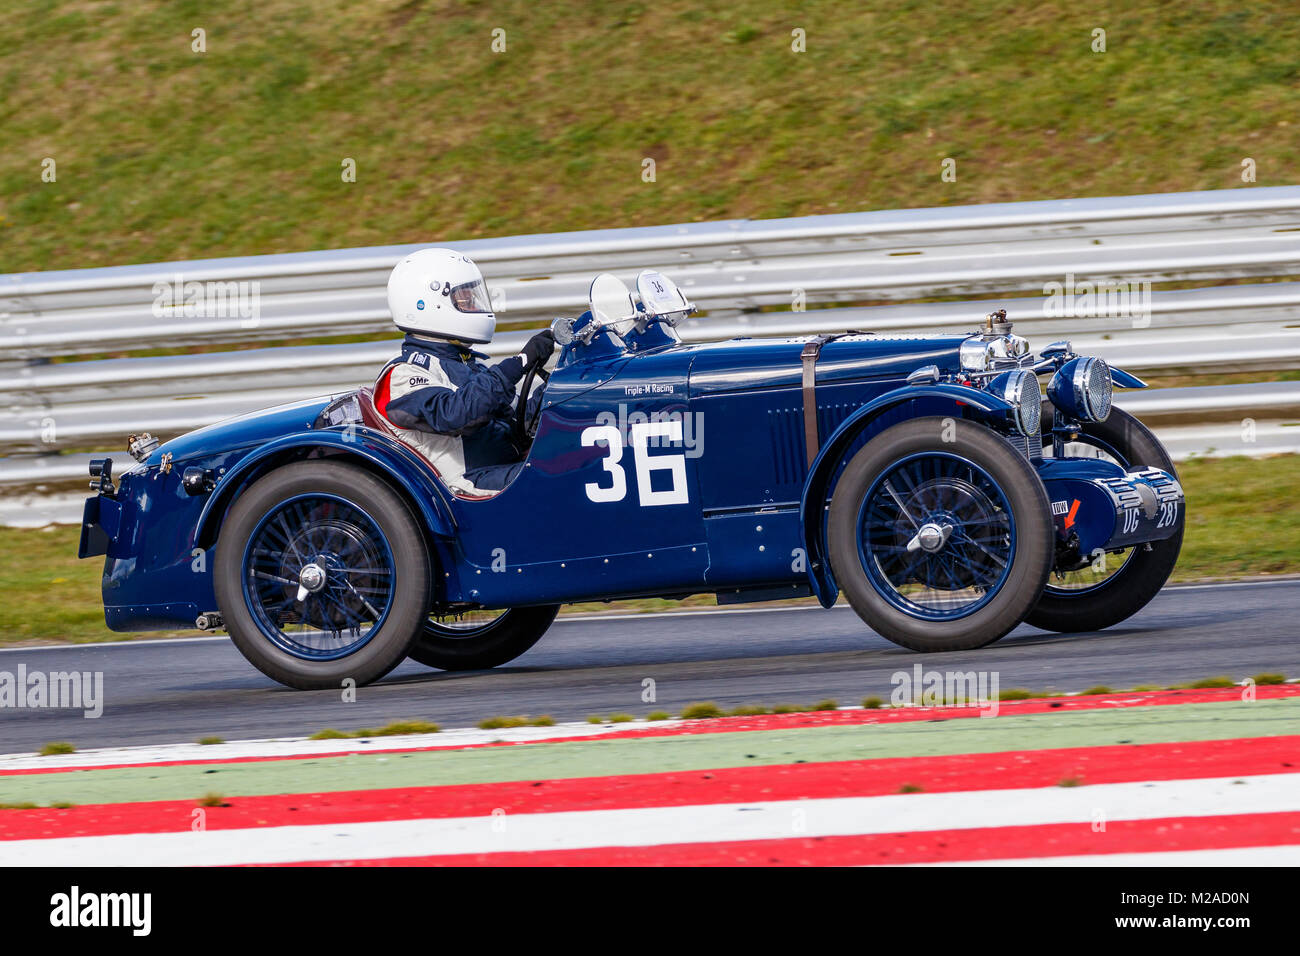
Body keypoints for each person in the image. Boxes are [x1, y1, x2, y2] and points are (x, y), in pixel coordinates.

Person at [373, 247, 555, 496]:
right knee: (559, 479)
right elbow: (455, 414)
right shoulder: (403, 374)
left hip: (500, 466)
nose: (473, 303)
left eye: (473, 297)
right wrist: (518, 363)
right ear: (427, 304)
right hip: (462, 485)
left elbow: (517, 425)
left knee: (579, 460)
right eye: (464, 299)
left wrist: (560, 382)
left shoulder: (465, 365)